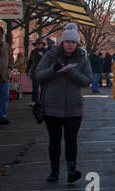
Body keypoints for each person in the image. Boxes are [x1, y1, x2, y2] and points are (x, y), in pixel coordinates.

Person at [34, 24, 92, 182]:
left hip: (73, 107)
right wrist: (54, 69)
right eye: (67, 42)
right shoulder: (51, 55)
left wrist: (71, 71)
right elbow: (38, 75)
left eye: (73, 43)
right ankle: (54, 171)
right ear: (62, 42)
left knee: (71, 139)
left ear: (77, 44)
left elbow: (87, 80)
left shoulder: (82, 58)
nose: (70, 45)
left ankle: (72, 170)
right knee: (54, 140)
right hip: (52, 106)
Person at [25, 37, 47, 105]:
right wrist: (27, 70)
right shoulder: (33, 52)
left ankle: (42, 101)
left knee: (43, 87)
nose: (38, 45)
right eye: (37, 44)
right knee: (35, 87)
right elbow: (30, 61)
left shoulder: (46, 51)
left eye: (40, 44)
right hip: (35, 71)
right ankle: (34, 101)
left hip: (43, 71)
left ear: (42, 44)